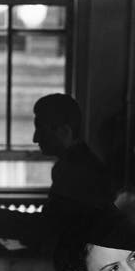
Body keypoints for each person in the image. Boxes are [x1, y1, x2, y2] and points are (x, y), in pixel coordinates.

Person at [33, 93, 114, 230]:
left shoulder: (74, 171)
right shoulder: (83, 164)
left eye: (41, 130)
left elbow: (51, 227)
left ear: (64, 131)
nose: (35, 139)